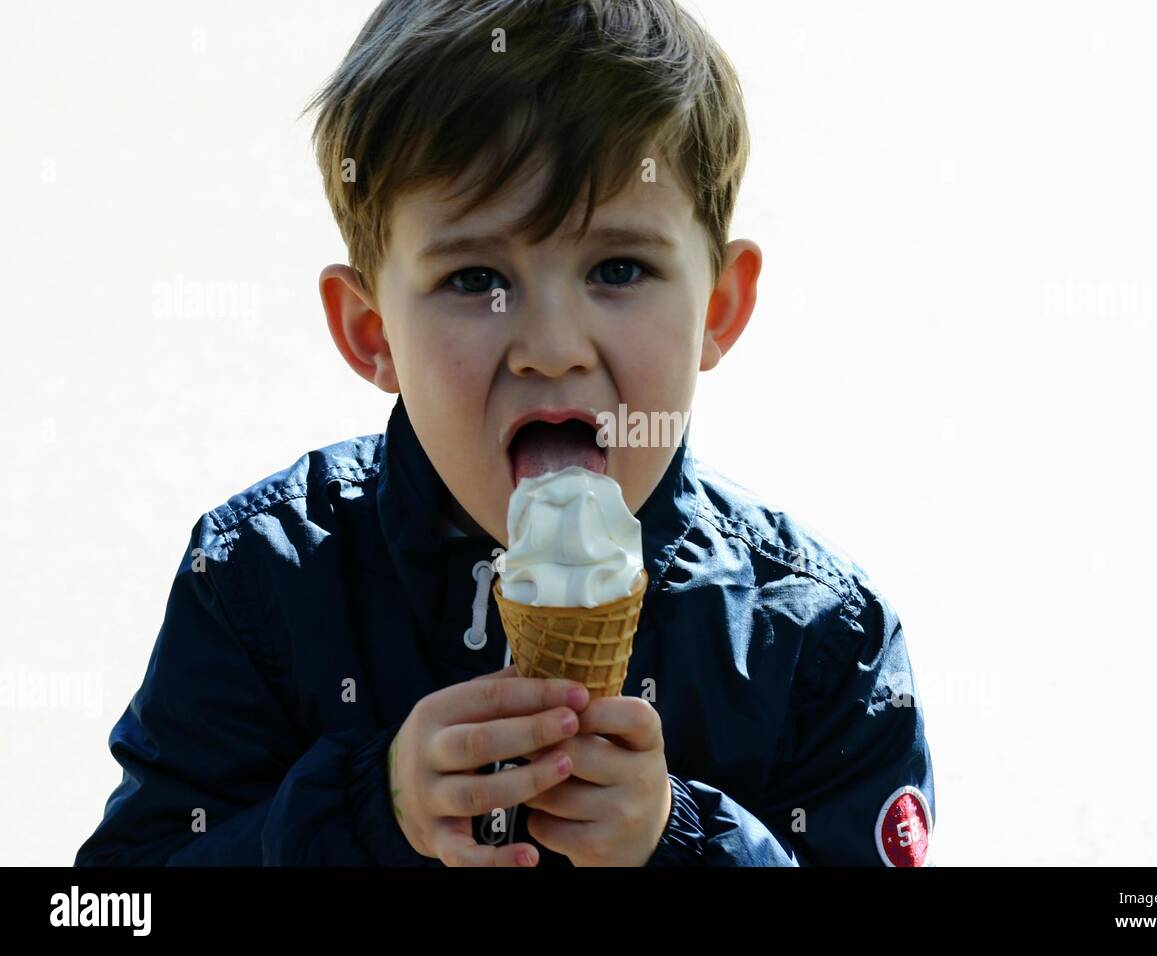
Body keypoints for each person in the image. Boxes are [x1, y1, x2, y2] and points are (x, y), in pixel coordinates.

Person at [75, 0, 935, 867]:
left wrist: (683, 843)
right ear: (372, 332)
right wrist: (366, 811)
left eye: (618, 268)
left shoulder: (822, 647)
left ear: (719, 308)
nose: (552, 350)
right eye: (475, 277)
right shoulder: (258, 586)